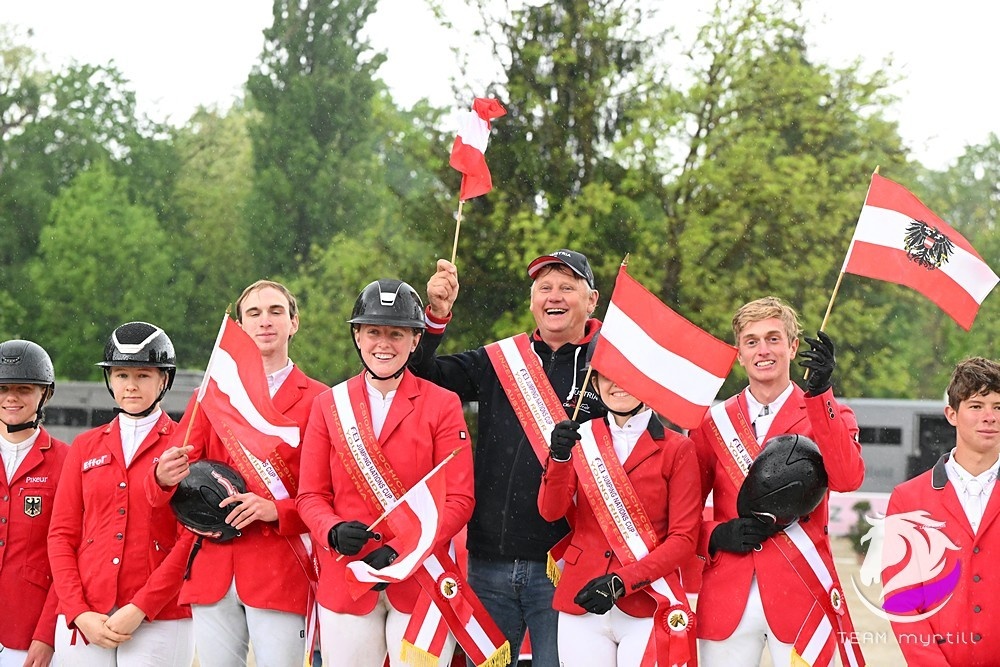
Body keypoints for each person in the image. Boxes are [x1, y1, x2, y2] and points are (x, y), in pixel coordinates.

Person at [410, 250, 605, 666]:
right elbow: (423, 377)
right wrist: (437, 316)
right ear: (532, 300)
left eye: (567, 287)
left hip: (566, 564)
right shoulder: (500, 361)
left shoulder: (612, 367)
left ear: (591, 300)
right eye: (545, 287)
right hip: (489, 563)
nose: (554, 296)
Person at [296, 278, 475, 666]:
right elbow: (310, 495)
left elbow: (459, 499)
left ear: (415, 340)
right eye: (373, 331)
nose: (384, 343)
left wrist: (402, 550)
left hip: (421, 578)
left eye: (397, 334)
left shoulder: (443, 404)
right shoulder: (328, 405)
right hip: (349, 575)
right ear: (357, 336)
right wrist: (332, 530)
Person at [148, 280, 327, 667]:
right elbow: (164, 482)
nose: (265, 321)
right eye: (254, 313)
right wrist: (163, 474)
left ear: (294, 323)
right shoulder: (210, 394)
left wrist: (276, 510)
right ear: (241, 326)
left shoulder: (321, 399)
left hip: (281, 567)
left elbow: (328, 494)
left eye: (276, 311)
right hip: (213, 568)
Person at [691, 296, 865, 666]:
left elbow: (848, 479)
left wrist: (821, 393)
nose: (763, 350)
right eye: (751, 341)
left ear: (793, 346)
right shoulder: (711, 423)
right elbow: (683, 511)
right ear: (740, 354)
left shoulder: (828, 411)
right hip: (727, 595)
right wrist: (715, 535)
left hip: (801, 590)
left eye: (773, 338)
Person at [537, 334, 700, 666]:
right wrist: (559, 458)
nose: (617, 384)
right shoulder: (580, 438)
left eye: (629, 373)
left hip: (645, 600)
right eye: (607, 375)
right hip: (582, 598)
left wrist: (621, 581)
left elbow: (683, 539)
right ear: (595, 382)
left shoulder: (678, 449)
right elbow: (550, 512)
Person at [47, 322, 194, 666]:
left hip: (161, 614)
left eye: (143, 375)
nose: (130, 385)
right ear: (109, 379)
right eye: (121, 375)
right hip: (86, 613)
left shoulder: (185, 445)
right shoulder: (84, 446)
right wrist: (77, 610)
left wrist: (141, 606)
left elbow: (189, 540)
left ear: (164, 380)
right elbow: (61, 535)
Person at [883, 356, 1000, 665]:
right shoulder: (908, 499)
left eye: (998, 406)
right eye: (976, 406)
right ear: (952, 414)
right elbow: (902, 600)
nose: (989, 417)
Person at [0, 340, 68, 667]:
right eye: (2, 388)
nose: (10, 397)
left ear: (45, 394)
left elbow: (69, 556)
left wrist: (47, 634)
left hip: (27, 632)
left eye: (23, 389)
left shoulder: (67, 462)